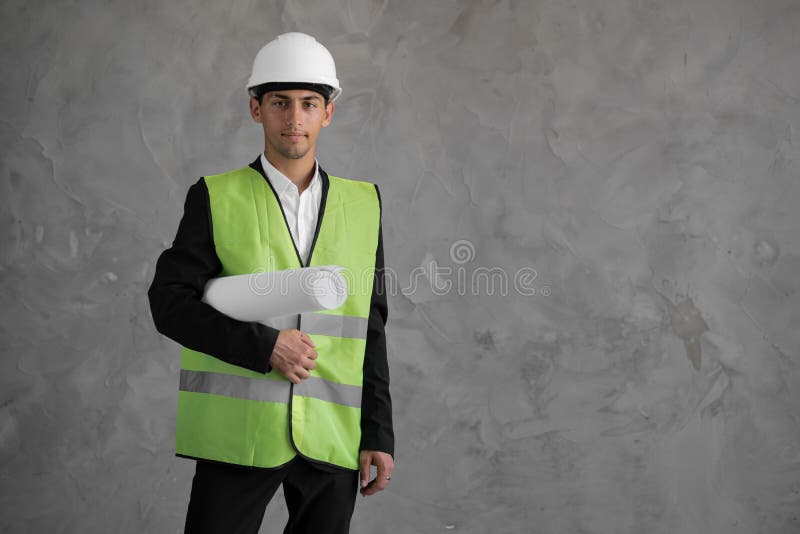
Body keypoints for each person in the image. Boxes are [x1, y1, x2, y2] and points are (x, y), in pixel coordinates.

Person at [147, 32, 394, 534]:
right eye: (280, 103)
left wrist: (378, 433)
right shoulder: (216, 197)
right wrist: (266, 347)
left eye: (308, 104)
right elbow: (169, 303)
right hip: (239, 435)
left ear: (328, 113)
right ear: (256, 109)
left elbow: (369, 325)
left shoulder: (364, 204)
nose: (294, 118)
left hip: (331, 436)